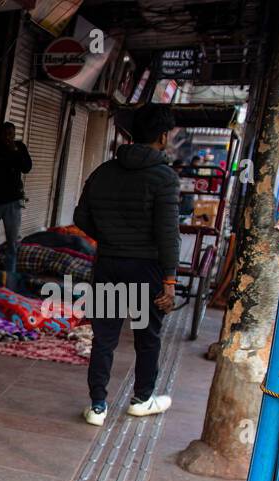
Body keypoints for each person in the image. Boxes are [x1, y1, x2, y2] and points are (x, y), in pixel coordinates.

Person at [74, 103, 180, 425]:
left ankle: (97, 407)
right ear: (162, 136)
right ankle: (142, 399)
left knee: (104, 336)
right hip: (146, 268)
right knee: (147, 336)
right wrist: (170, 280)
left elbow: (81, 217)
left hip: (109, 263)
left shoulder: (103, 171)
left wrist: (110, 237)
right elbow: (167, 234)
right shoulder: (165, 178)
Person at [0, 122, 33, 274]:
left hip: (13, 203)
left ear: (14, 135)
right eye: (5, 133)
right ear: (0, 134)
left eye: (11, 134)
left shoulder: (19, 148)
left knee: (12, 244)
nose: (8, 137)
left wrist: (14, 151)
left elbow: (27, 168)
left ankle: (10, 276)